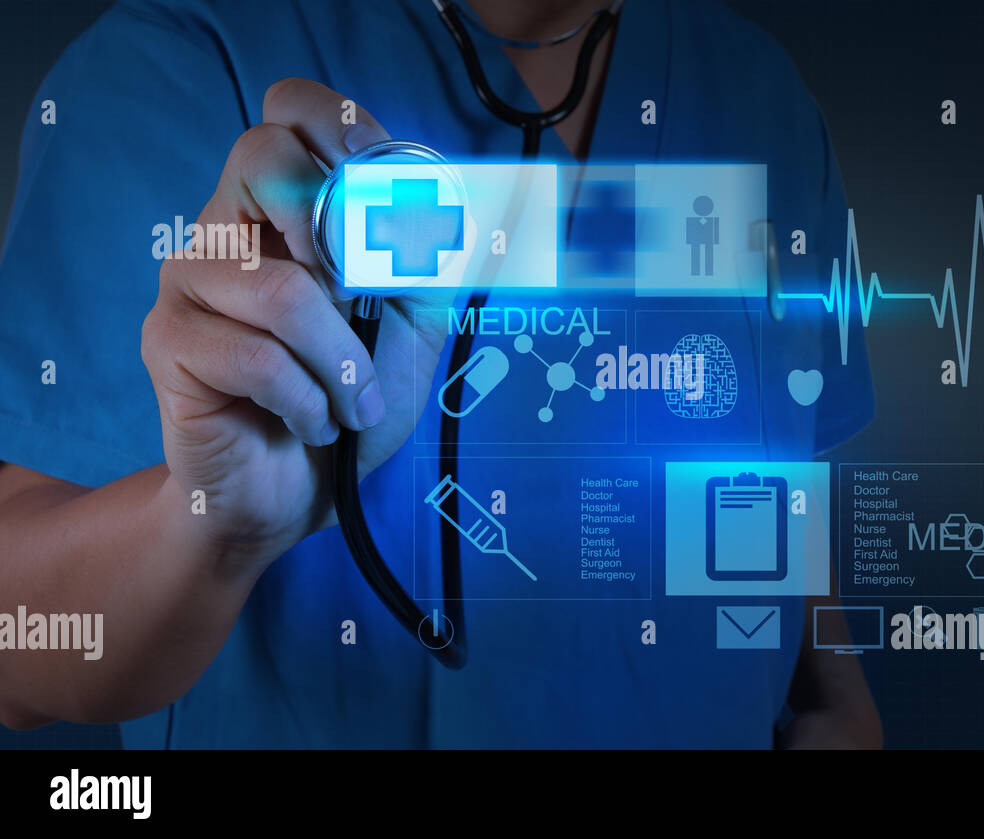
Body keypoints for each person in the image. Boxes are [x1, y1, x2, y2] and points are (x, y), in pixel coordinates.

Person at [0, 0, 880, 748]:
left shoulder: (766, 94)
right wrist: (213, 529)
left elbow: (779, 451)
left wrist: (837, 692)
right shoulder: (174, 61)